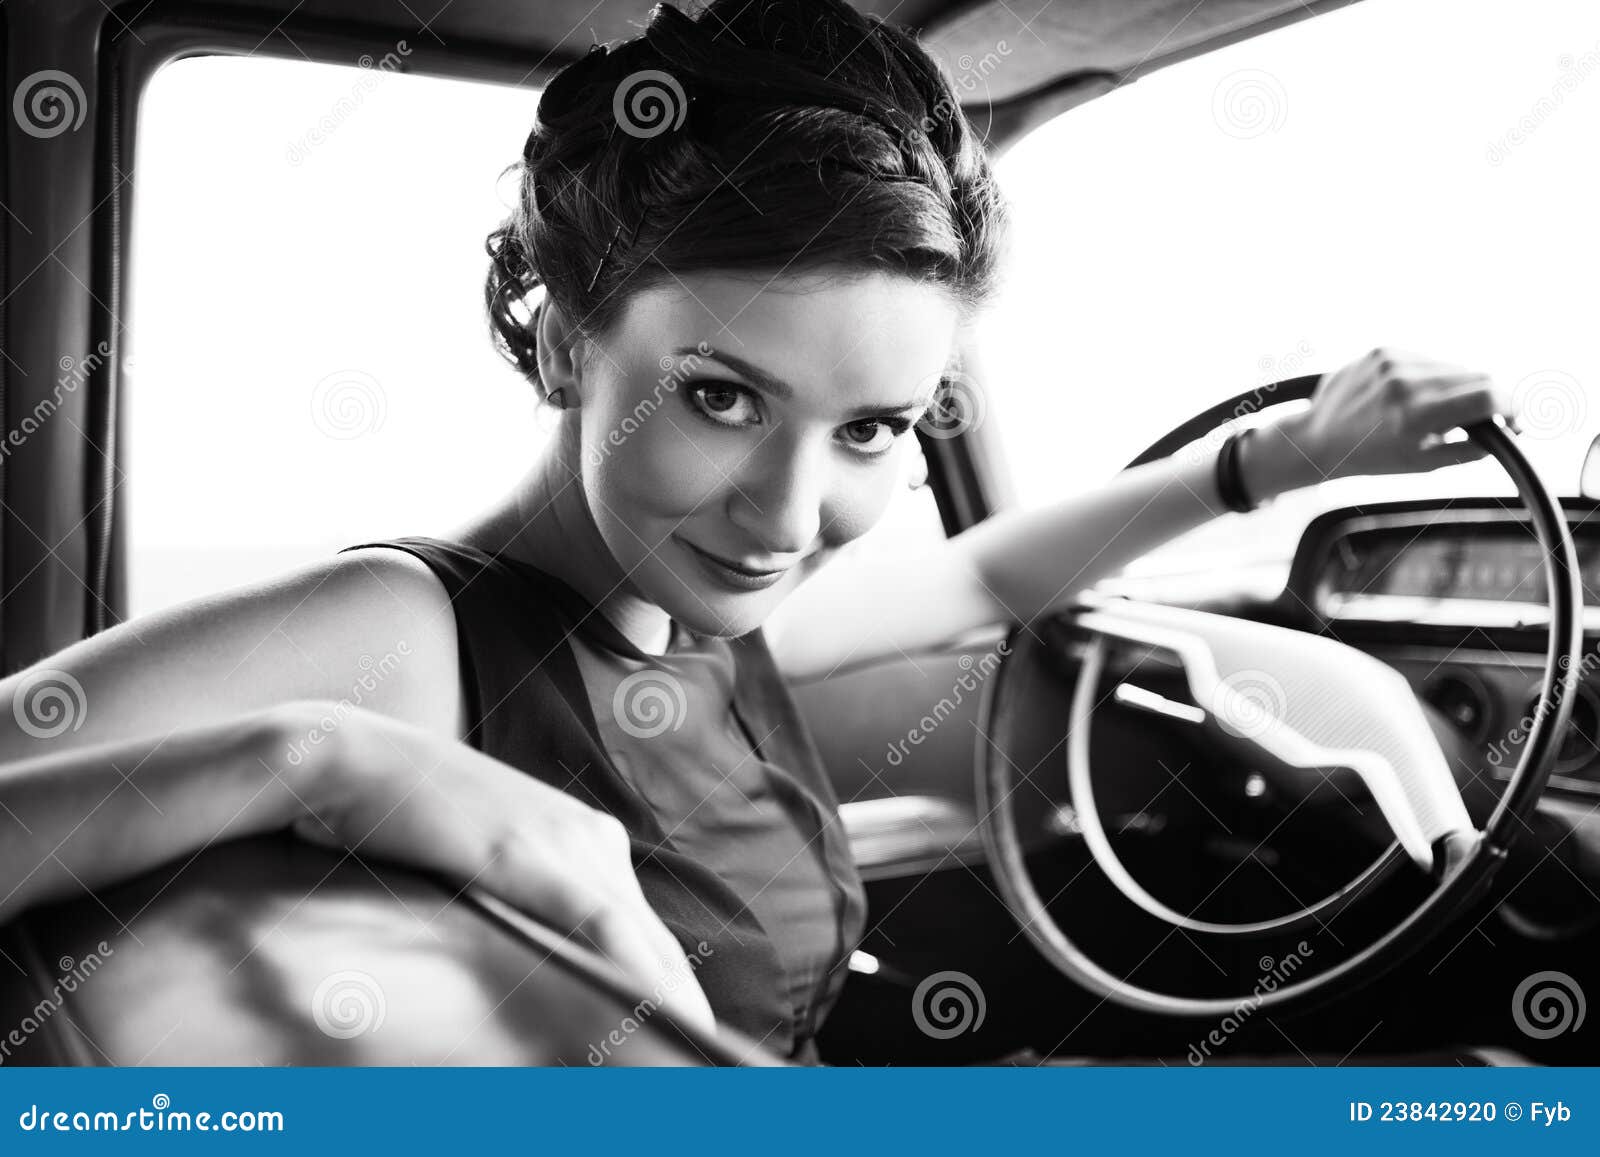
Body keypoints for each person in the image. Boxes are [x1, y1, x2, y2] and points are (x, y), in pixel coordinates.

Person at [0, 0, 1514, 1063]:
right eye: (722, 398)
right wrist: (318, 758)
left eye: (870, 430)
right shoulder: (405, 634)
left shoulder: (700, 612)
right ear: (564, 346)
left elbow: (987, 569)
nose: (790, 518)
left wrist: (1279, 460)